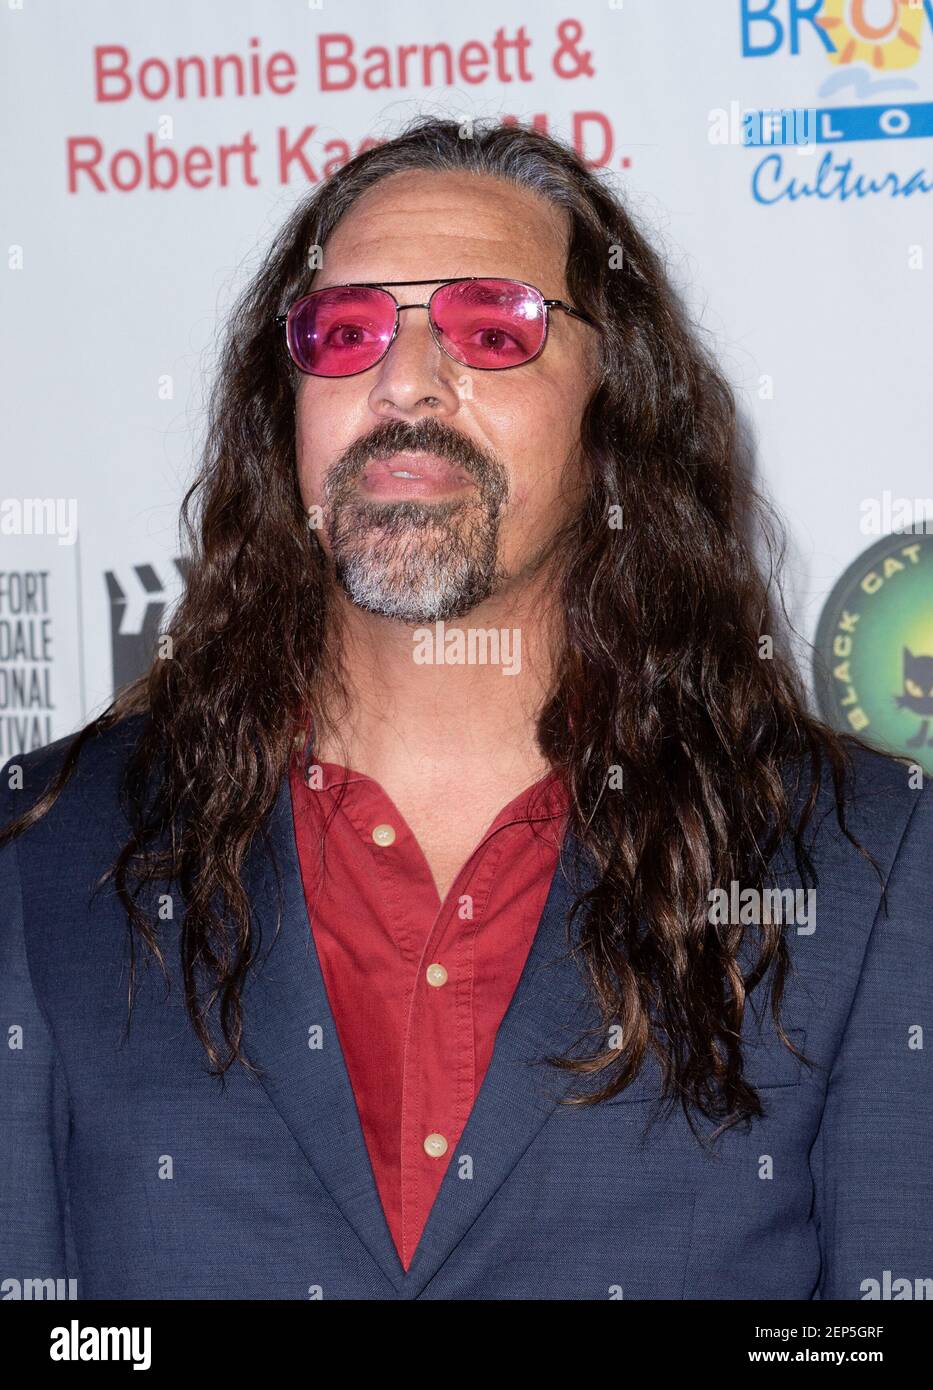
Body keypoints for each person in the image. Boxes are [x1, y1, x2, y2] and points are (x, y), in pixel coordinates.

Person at [1, 116, 930, 1301]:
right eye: (345, 335)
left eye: (491, 328)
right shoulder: (49, 849)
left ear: (615, 414)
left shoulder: (867, 865)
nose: (402, 381)